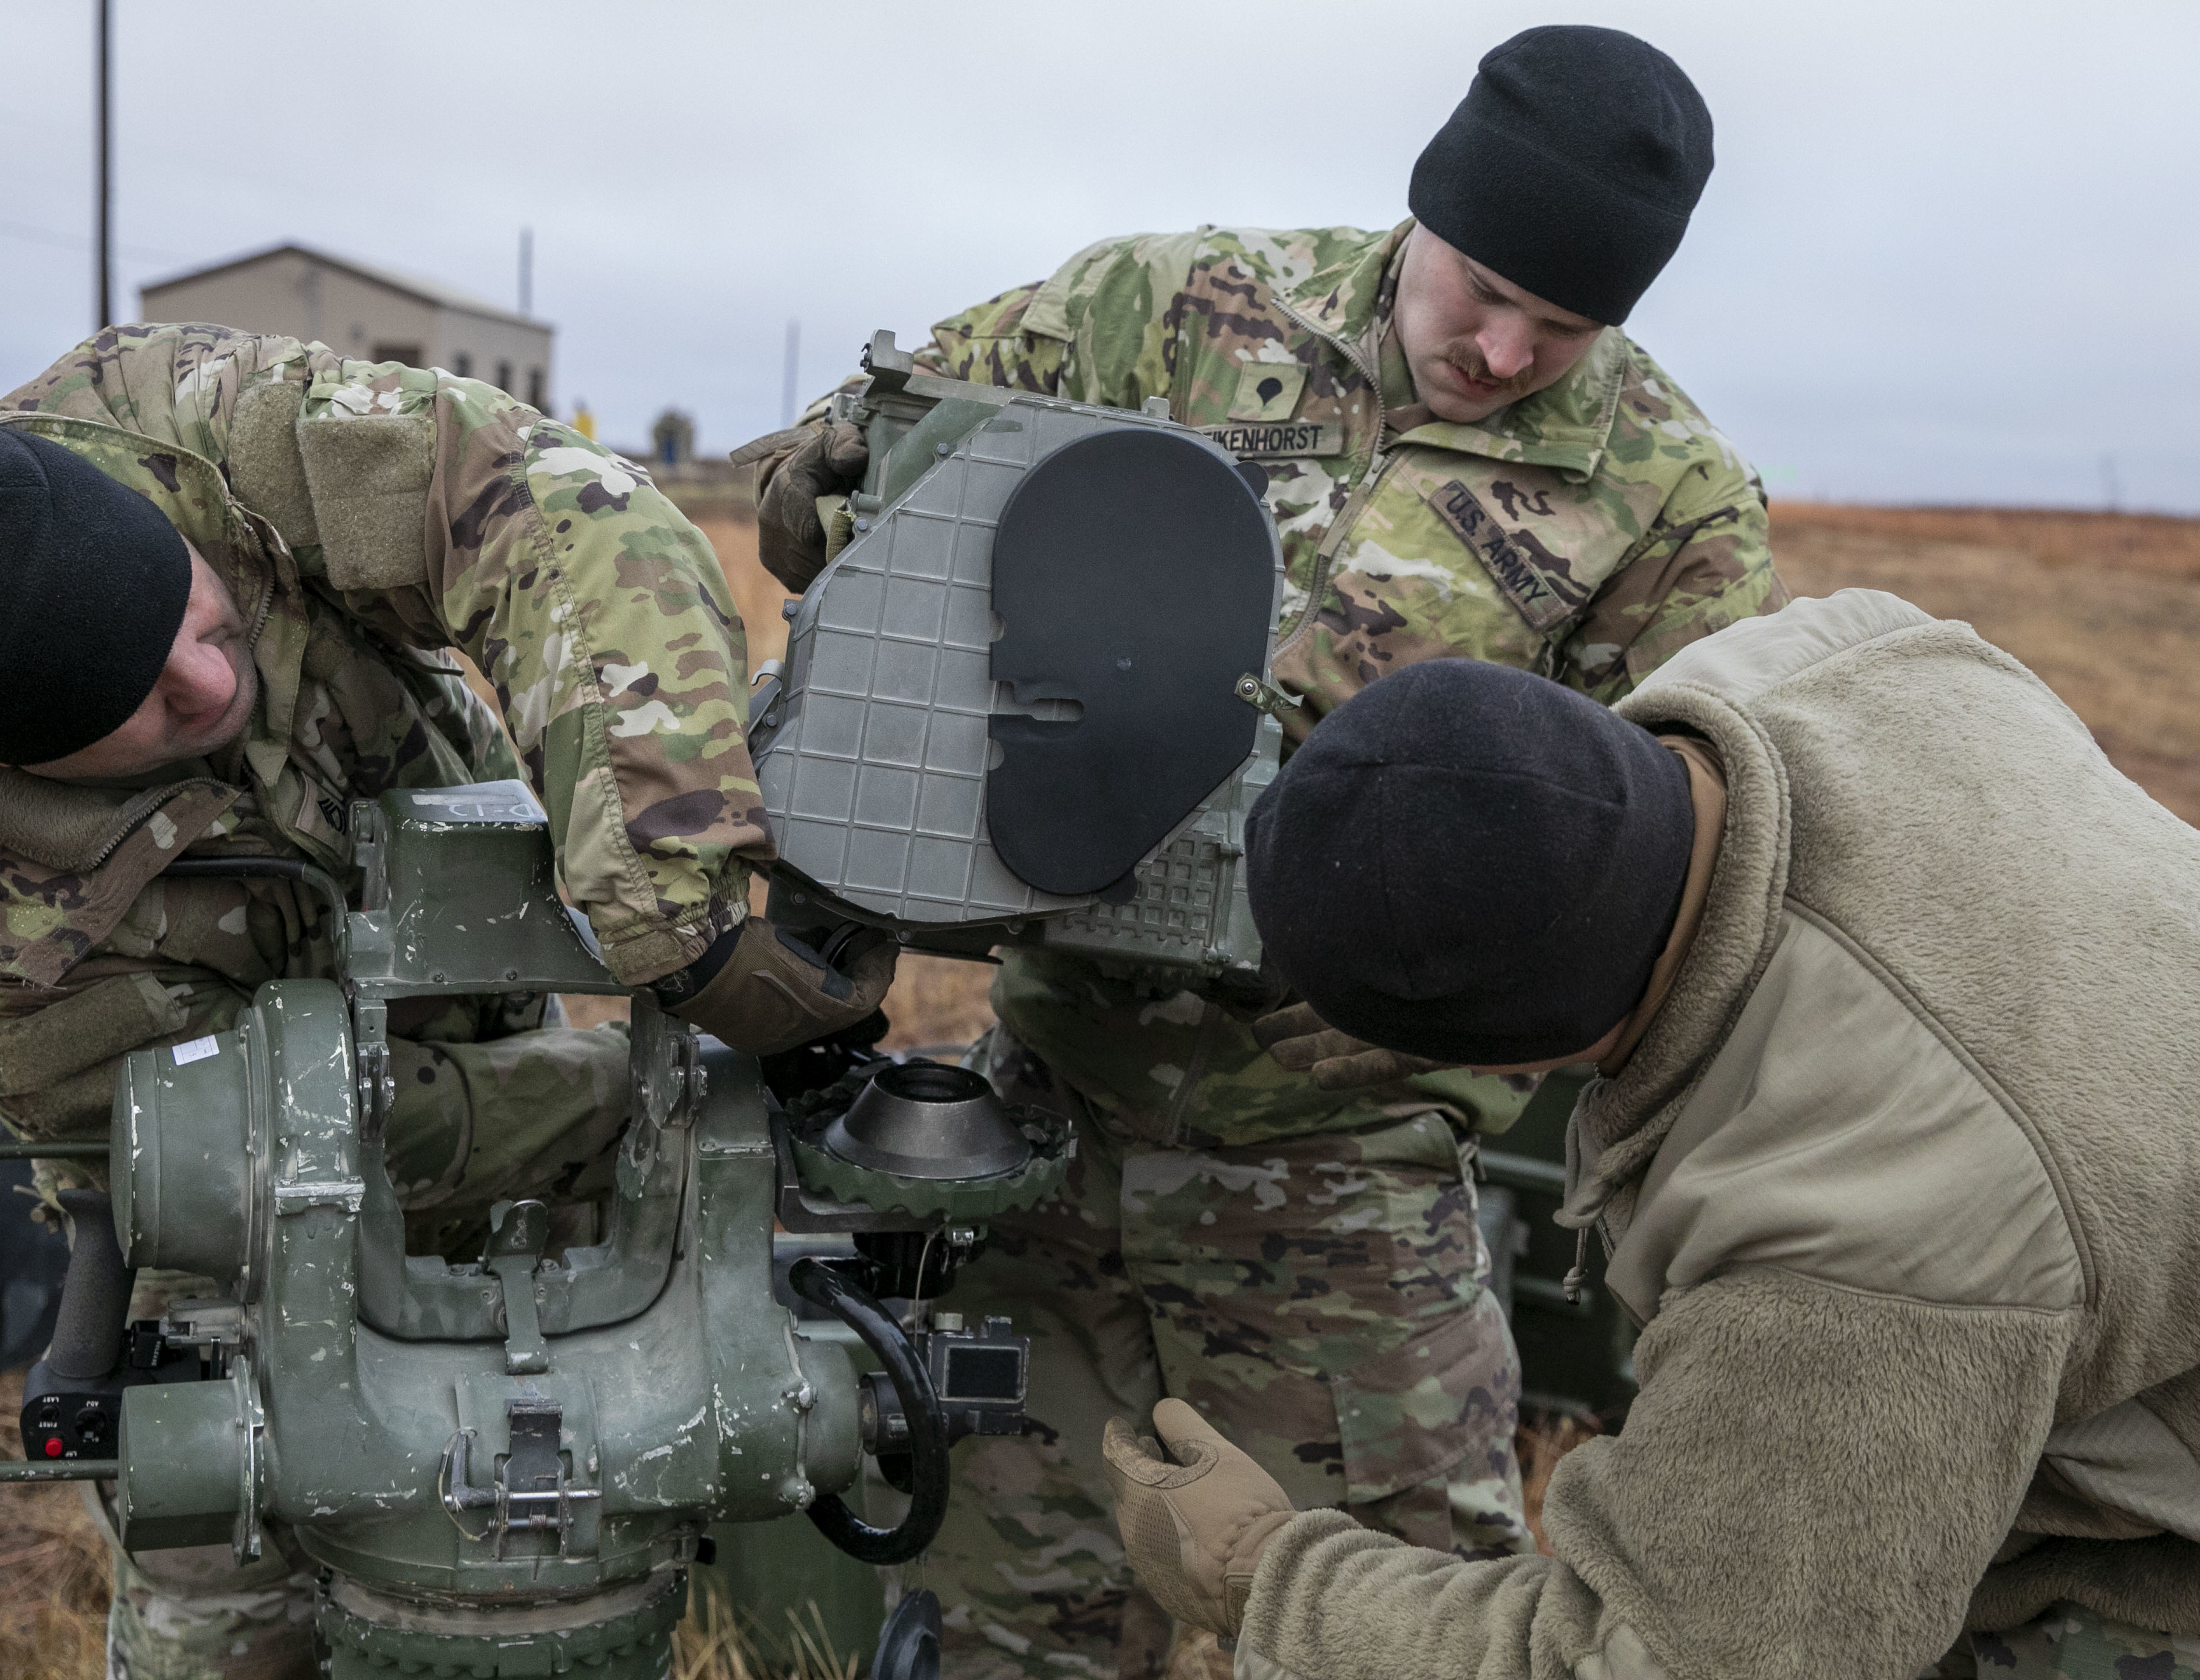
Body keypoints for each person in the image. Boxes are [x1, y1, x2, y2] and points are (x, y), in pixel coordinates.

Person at [738, 24, 1788, 1679]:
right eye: (1481, 289)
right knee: (1017, 1610)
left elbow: (1662, 888)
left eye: (1562, 328)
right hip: (1044, 1124)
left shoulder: (1670, 506)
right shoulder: (1172, 311)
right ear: (1425, 206)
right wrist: (849, 475)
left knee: (1417, 1627)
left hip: (1343, 1172)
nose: (1505, 350)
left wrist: (1438, 1039)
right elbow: (846, 502)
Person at [0, 324, 894, 1680]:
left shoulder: (196, 421)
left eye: (191, 618)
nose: (210, 686)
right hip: (228, 1212)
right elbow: (232, 1156)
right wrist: (620, 1100)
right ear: (10, 754)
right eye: (125, 708)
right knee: (225, 1586)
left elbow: (561, 515)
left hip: (482, 1023)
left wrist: (670, 904)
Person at [1103, 589, 2200, 1680]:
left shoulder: (1860, 1229)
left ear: (1504, 1067)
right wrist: (1508, 924)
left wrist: (1261, 1575)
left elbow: (1677, 1662)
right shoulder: (1833, 657)